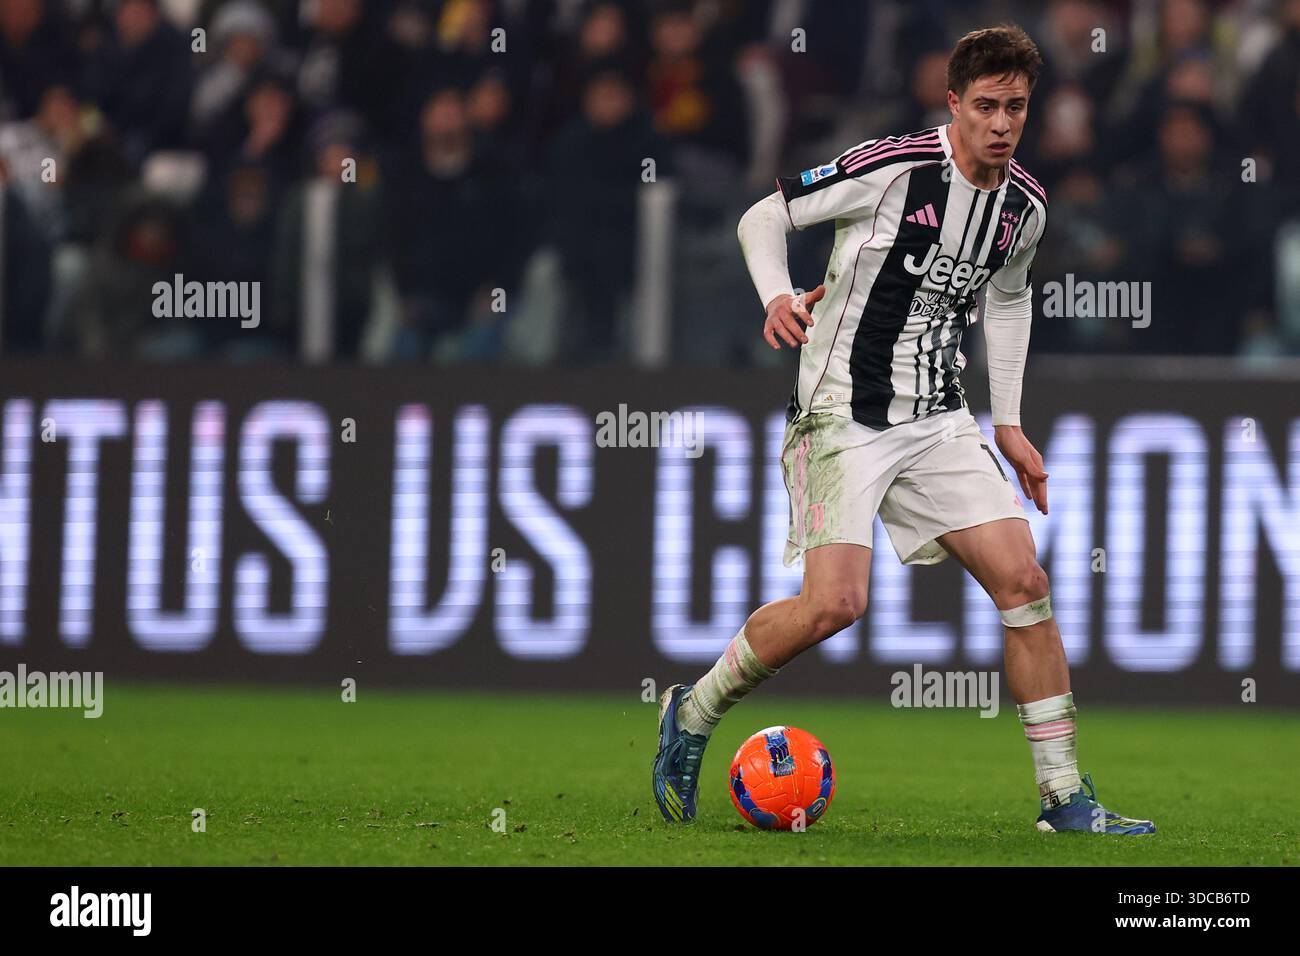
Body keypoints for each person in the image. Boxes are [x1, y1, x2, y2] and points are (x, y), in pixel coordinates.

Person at [652, 25, 1156, 836]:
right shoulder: (893, 169)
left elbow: (1011, 299)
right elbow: (761, 218)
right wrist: (776, 297)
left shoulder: (1022, 206)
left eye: (1016, 108)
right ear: (952, 103)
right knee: (834, 606)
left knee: (1024, 583)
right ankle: (695, 707)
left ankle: (1064, 798)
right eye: (986, 106)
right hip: (841, 411)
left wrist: (1013, 423)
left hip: (938, 418)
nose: (1001, 123)